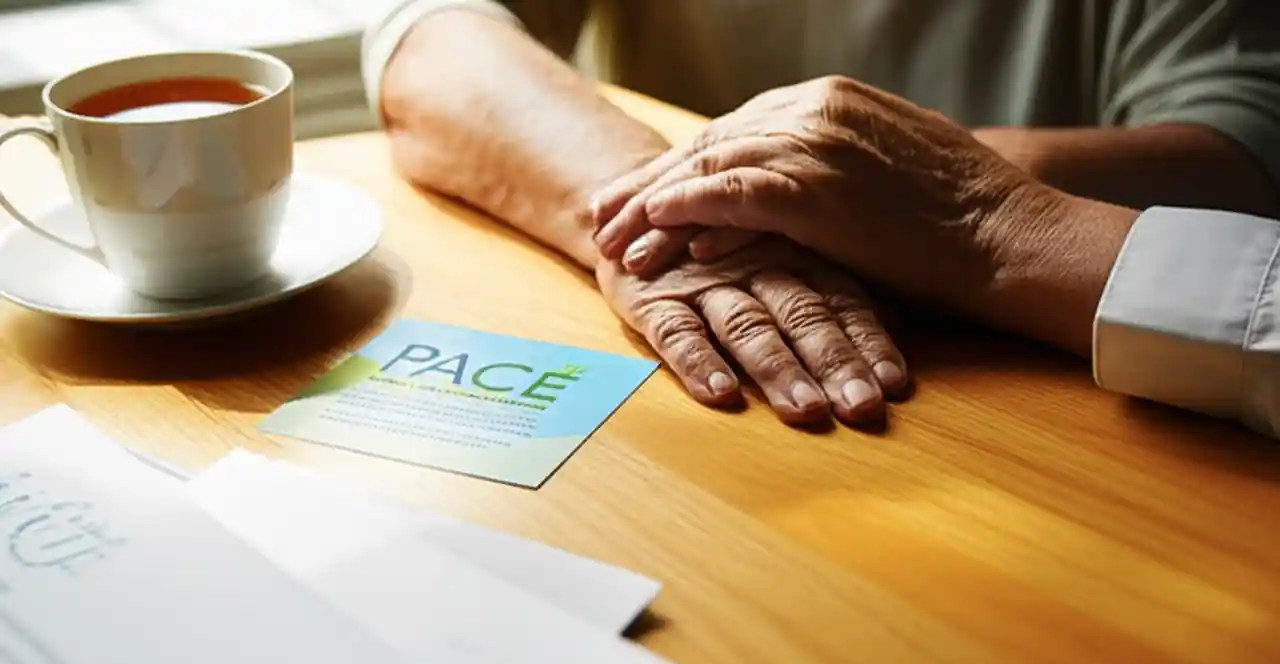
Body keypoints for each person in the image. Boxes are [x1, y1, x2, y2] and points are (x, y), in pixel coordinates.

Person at [364, 1, 1280, 436]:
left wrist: (923, 198)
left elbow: (1243, 159)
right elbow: (430, 38)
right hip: (740, 389)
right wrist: (669, 197)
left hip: (1034, 425)